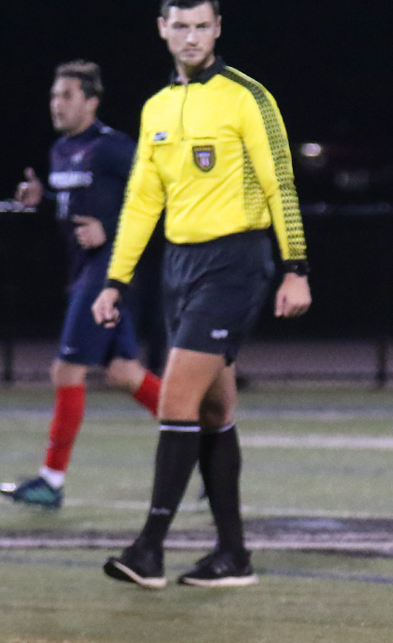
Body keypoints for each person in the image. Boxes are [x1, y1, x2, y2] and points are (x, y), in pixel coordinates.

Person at [93, 0, 311, 589]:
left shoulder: (247, 97)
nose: (191, 36)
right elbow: (142, 200)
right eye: (180, 26)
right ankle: (232, 556)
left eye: (201, 25)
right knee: (214, 410)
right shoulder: (157, 107)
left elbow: (279, 181)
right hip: (179, 268)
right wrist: (116, 280)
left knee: (175, 397)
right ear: (163, 31)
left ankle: (149, 549)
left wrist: (296, 267)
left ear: (217, 30)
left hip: (236, 262)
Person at [0, 61, 161, 509]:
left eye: (67, 95)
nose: (57, 103)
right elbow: (73, 206)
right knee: (124, 373)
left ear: (91, 102)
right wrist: (42, 200)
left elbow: (155, 192)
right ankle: (206, 440)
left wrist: (109, 229)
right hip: (83, 272)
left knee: (66, 370)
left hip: (107, 272)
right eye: (54, 95)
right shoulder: (60, 151)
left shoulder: (111, 148)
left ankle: (50, 482)